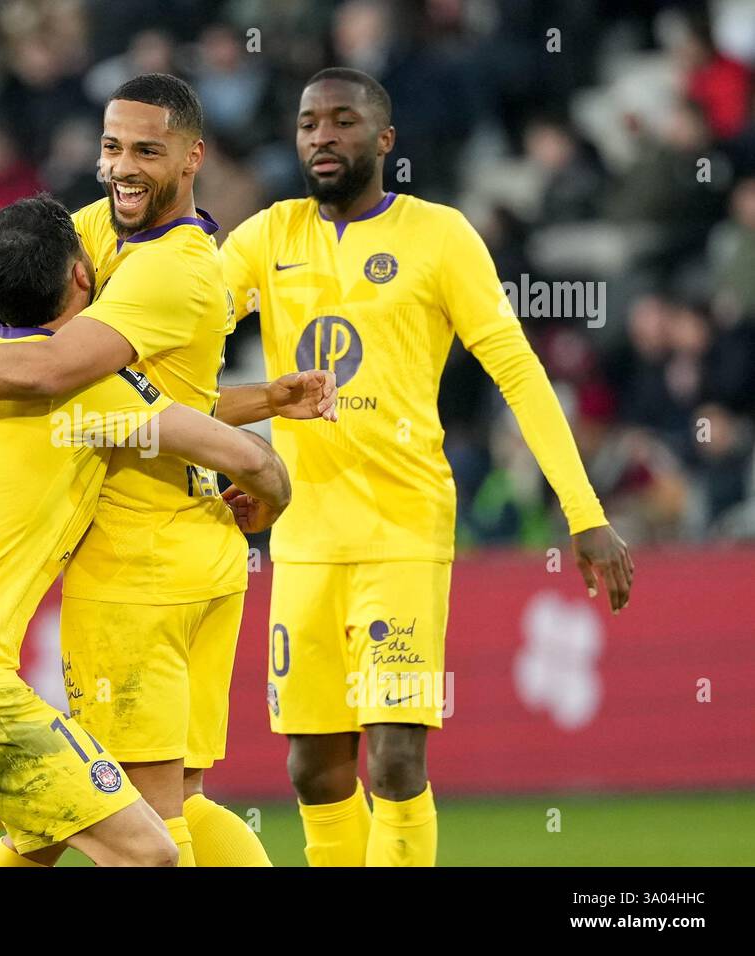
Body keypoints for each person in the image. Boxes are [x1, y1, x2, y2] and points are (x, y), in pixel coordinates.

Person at [0, 74, 335, 867]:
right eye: (110, 147)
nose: (120, 167)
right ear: (80, 278)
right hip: (193, 550)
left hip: (135, 570)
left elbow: (55, 372)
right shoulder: (105, 252)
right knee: (159, 817)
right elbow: (8, 260)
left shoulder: (123, 312)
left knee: (148, 830)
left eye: (144, 151)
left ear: (194, 157)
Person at [218, 68, 635, 866]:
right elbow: (184, 318)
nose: (322, 137)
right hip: (304, 536)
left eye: (343, 122)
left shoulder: (439, 236)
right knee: (312, 769)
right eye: (308, 124)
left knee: (396, 758)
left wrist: (584, 513)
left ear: (385, 141)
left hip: (404, 530)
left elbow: (518, 370)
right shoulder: (267, 236)